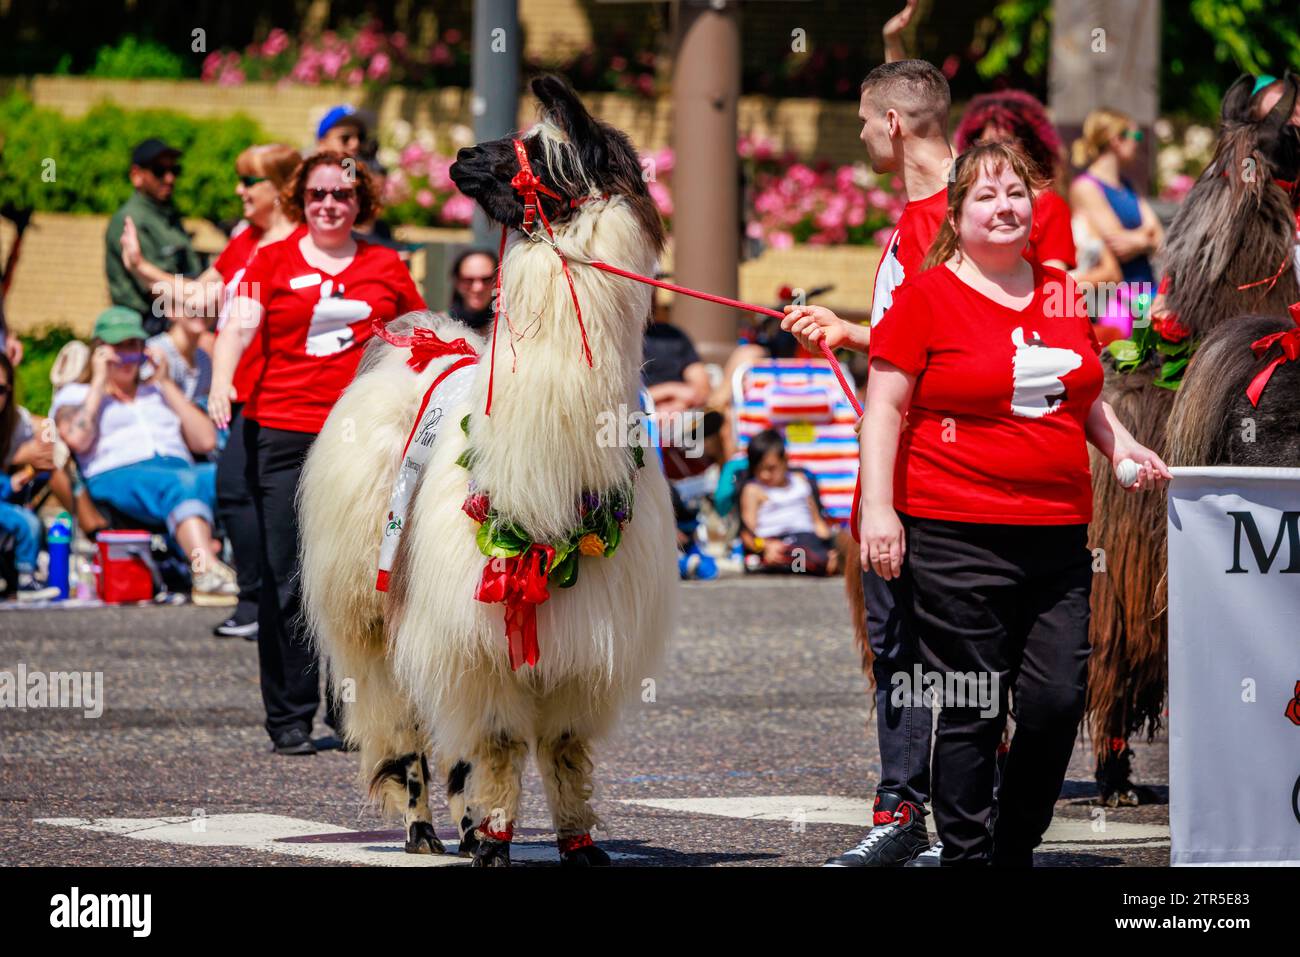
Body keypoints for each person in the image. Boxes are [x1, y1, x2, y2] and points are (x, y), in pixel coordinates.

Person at [861, 141, 1169, 866]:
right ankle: (971, 857)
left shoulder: (1061, 288)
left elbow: (1082, 391)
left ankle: (1013, 843)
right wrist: (880, 508)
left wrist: (1120, 446)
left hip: (1058, 534)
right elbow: (883, 406)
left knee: (1059, 699)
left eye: (1017, 195)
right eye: (987, 197)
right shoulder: (926, 296)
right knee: (972, 706)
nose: (1005, 208)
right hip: (953, 532)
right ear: (958, 213)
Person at [783, 58, 952, 867]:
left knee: (961, 649)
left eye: (861, 120)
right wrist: (852, 333)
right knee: (897, 647)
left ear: (892, 123)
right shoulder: (907, 223)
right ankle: (901, 811)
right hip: (888, 475)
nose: (858, 134)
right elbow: (910, 339)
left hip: (952, 476)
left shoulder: (973, 216)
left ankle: (963, 816)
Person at [211, 152, 426, 756]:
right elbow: (236, 327)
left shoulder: (385, 263)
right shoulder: (270, 258)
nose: (330, 204)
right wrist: (219, 383)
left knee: (358, 575)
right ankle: (289, 715)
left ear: (362, 204)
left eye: (343, 194)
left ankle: (352, 711)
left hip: (360, 437)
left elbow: (416, 336)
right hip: (282, 430)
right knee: (288, 577)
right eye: (317, 194)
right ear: (299, 200)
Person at [130, 143, 304, 638]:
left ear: (281, 189)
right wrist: (143, 269)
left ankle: (273, 605)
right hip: (241, 384)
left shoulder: (302, 243)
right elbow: (203, 294)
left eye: (250, 182)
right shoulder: (245, 237)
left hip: (283, 388)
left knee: (267, 497)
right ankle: (256, 602)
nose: (239, 191)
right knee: (235, 490)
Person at [51, 307, 239, 605]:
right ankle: (206, 572)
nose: (128, 355)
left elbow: (206, 441)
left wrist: (165, 384)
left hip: (179, 469)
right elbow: (76, 438)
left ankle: (260, 569)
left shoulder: (158, 392)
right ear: (99, 350)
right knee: (181, 484)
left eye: (134, 346)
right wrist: (99, 383)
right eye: (119, 346)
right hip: (118, 474)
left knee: (235, 474)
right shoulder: (77, 394)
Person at [955, 90, 1077, 271]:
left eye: (1007, 142)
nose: (998, 151)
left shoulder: (1048, 204)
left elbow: (1055, 275)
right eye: (988, 143)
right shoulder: (963, 201)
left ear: (1029, 145)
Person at [1069, 108, 1164, 338]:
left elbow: (1159, 236)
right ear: (1115, 140)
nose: (1139, 144)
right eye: (1136, 136)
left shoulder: (1129, 185)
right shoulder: (1085, 187)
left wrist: (1140, 241)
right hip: (1115, 298)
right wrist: (1147, 239)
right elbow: (1117, 244)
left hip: (1147, 291)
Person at [106, 139, 202, 337]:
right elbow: (156, 287)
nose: (169, 178)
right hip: (145, 330)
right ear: (136, 175)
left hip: (181, 319)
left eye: (174, 170)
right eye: (159, 171)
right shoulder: (131, 221)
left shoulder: (167, 216)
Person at [0, 352, 60, 601]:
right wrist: (17, 457)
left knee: (50, 471)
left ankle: (24, 577)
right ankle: (25, 577)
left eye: (1, 389)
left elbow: (47, 425)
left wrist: (41, 452)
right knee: (25, 522)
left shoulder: (14, 419)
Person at [739, 429, 840, 576]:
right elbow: (747, 535)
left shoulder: (801, 480)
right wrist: (765, 546)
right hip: (776, 542)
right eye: (758, 469)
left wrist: (832, 549)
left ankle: (819, 560)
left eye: (770, 468)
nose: (764, 474)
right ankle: (811, 562)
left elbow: (818, 523)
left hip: (808, 538)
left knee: (845, 546)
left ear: (785, 460)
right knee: (792, 553)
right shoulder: (754, 489)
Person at [448, 248, 498, 332]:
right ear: (457, 282)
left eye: (486, 279)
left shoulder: (510, 330)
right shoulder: (440, 327)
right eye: (468, 280)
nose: (477, 288)